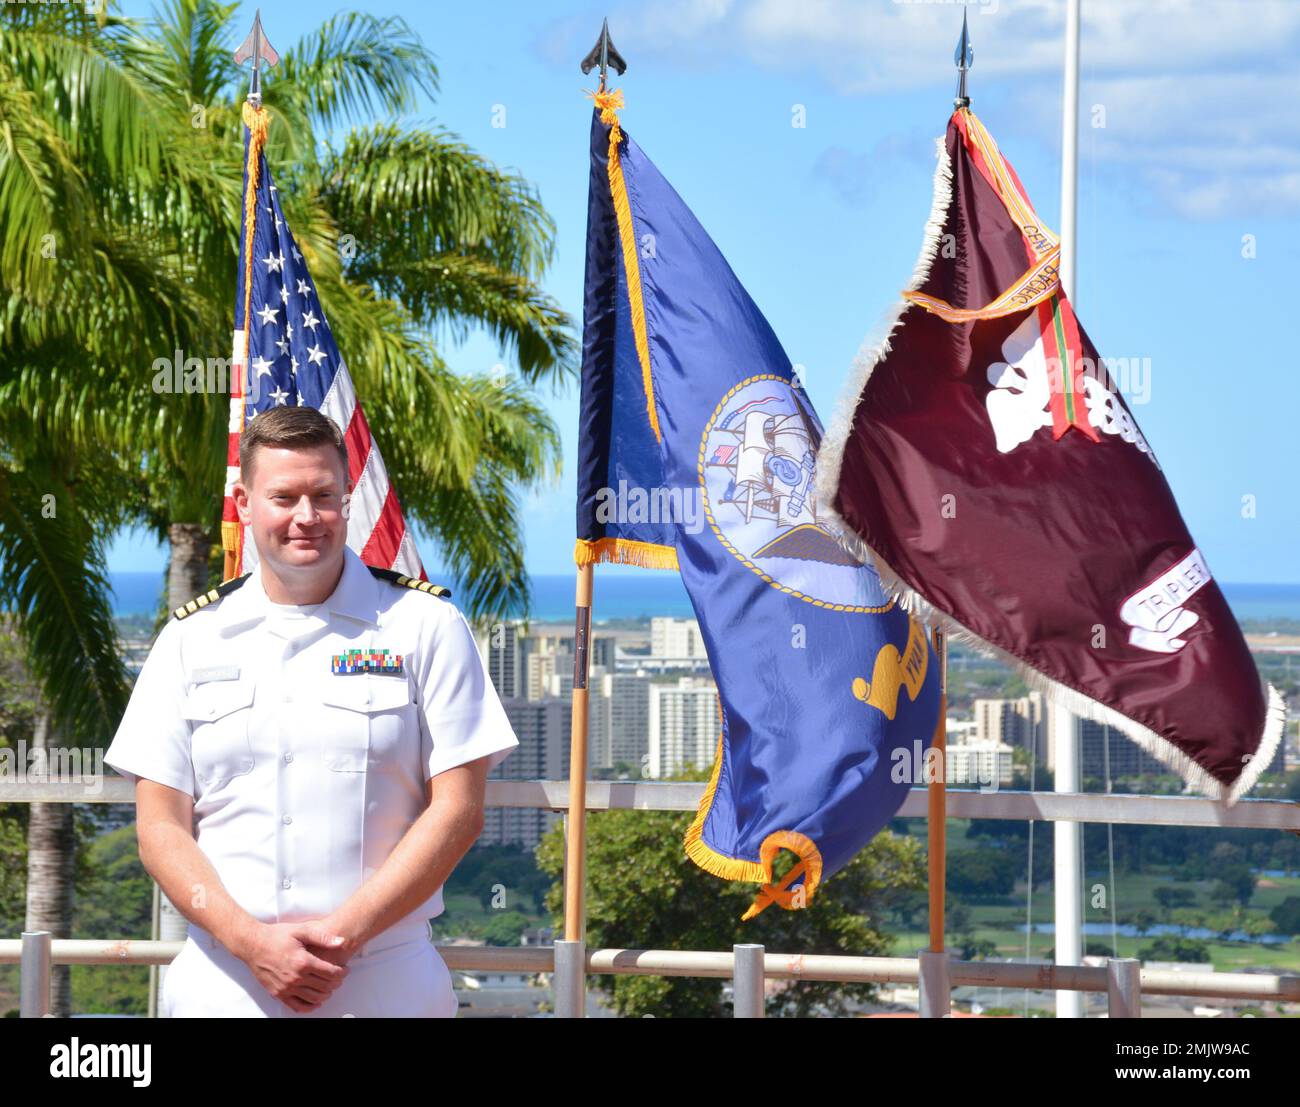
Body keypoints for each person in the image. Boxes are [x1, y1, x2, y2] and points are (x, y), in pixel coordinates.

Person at [104, 406, 519, 1017]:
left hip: (385, 979)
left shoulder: (424, 627)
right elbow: (160, 826)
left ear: (348, 499)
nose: (306, 517)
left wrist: (342, 937)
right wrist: (253, 944)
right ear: (244, 503)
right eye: (284, 496)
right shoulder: (190, 640)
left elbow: (459, 808)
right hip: (226, 983)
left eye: (324, 495)